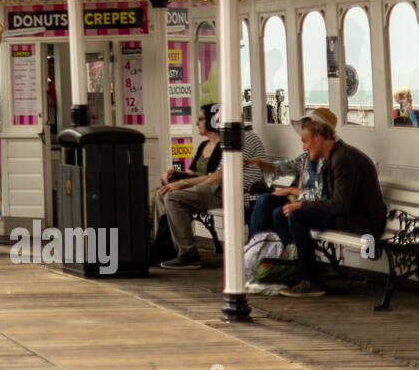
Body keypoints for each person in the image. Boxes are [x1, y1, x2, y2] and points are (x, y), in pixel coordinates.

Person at [278, 109, 387, 297]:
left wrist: (303, 205)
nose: (304, 148)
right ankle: (300, 271)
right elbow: (329, 198)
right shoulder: (333, 156)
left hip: (361, 222)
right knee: (281, 213)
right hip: (346, 215)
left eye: (305, 142)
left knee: (297, 217)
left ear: (318, 139)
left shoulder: (343, 160)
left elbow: (340, 205)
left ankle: (311, 280)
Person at [157, 108, 269, 269]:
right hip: (224, 189)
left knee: (174, 197)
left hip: (236, 193)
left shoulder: (245, 138)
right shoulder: (236, 138)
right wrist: (186, 184)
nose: (217, 126)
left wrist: (188, 185)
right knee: (168, 193)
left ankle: (189, 255)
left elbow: (222, 175)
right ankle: (168, 249)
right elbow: (216, 174)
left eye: (219, 122)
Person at [245, 108, 329, 243]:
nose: (304, 147)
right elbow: (283, 167)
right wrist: (260, 163)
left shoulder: (329, 162)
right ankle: (258, 247)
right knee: (264, 200)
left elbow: (321, 195)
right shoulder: (305, 158)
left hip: (310, 206)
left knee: (278, 212)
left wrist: (290, 190)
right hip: (295, 200)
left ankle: (263, 249)